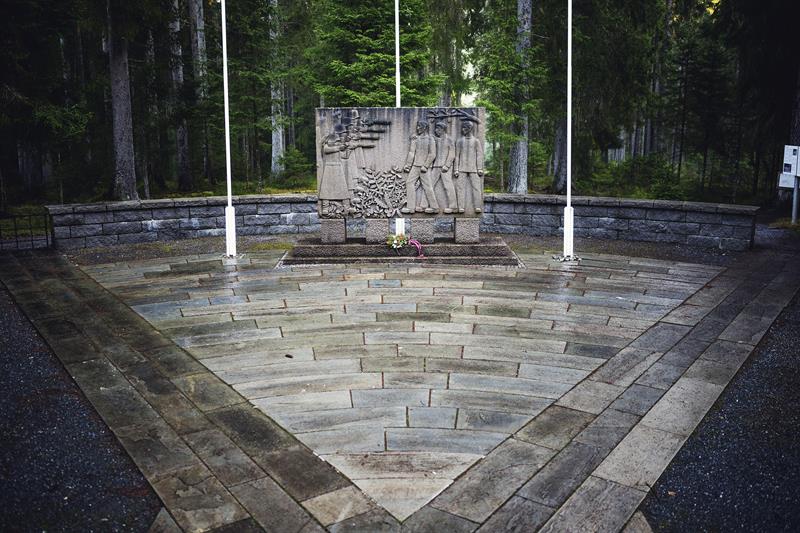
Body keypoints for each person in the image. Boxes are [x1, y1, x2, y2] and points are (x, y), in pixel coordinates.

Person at [401, 120, 437, 214]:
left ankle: (434, 207)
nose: (417, 128)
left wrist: (426, 165)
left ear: (424, 127)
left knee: (428, 186)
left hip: (424, 168)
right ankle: (411, 208)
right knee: (409, 183)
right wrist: (408, 165)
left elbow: (432, 154)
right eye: (417, 126)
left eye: (419, 126)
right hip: (415, 165)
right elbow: (411, 152)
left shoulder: (430, 139)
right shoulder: (415, 139)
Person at [318, 124, 353, 215]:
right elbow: (326, 150)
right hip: (329, 166)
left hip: (338, 167)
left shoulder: (340, 143)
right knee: (326, 188)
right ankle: (325, 207)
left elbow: (345, 156)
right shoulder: (327, 141)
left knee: (342, 188)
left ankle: (347, 206)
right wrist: (338, 148)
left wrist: (349, 148)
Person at [454, 120, 484, 214]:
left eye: (464, 128)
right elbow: (457, 156)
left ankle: (477, 207)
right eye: (462, 128)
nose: (462, 130)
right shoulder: (459, 141)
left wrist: (479, 168)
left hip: (473, 169)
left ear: (469, 129)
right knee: (460, 188)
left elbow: (479, 155)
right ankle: (461, 207)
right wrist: (456, 169)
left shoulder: (476, 141)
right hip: (462, 168)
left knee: (476, 188)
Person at [430, 121, 457, 213]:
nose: (436, 130)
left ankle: (453, 206)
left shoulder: (449, 140)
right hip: (436, 165)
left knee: (448, 186)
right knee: (430, 185)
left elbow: (452, 154)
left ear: (443, 130)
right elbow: (428, 137)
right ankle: (426, 205)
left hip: (446, 168)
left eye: (438, 129)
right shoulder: (436, 140)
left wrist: (447, 165)